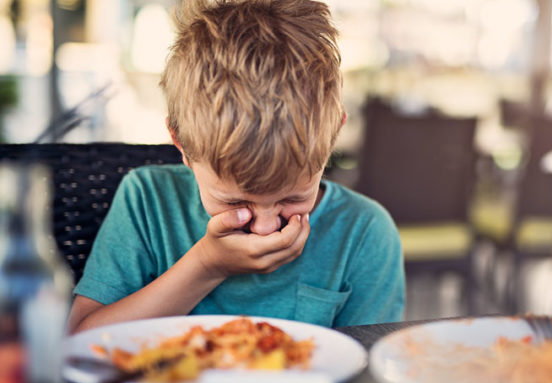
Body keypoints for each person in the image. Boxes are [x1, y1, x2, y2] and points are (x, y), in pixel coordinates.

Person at [67, 0, 405, 333]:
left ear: (333, 136)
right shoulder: (146, 201)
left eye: (293, 197)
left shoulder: (363, 234)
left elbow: (365, 377)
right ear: (181, 143)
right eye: (234, 203)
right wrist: (206, 265)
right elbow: (81, 340)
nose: (264, 227)